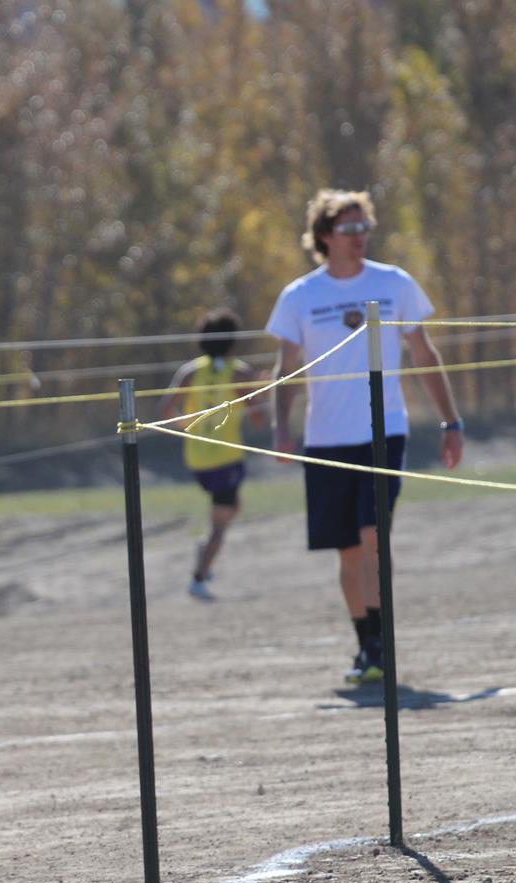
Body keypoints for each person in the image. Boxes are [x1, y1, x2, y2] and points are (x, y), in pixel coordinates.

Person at [265, 189, 463, 684]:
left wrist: (450, 421)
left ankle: (380, 644)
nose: (359, 238)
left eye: (364, 228)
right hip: (326, 439)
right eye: (349, 229)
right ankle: (366, 644)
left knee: (374, 537)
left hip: (383, 432)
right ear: (325, 236)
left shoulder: (394, 284)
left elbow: (423, 354)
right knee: (348, 551)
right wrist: (281, 430)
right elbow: (286, 370)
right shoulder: (300, 296)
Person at [157, 308, 266, 601]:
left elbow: (165, 411)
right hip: (226, 458)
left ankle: (205, 551)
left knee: (232, 508)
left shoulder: (190, 371)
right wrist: (262, 393)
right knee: (220, 524)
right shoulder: (240, 372)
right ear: (233, 341)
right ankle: (198, 576)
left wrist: (188, 427)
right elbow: (259, 420)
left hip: (196, 459)